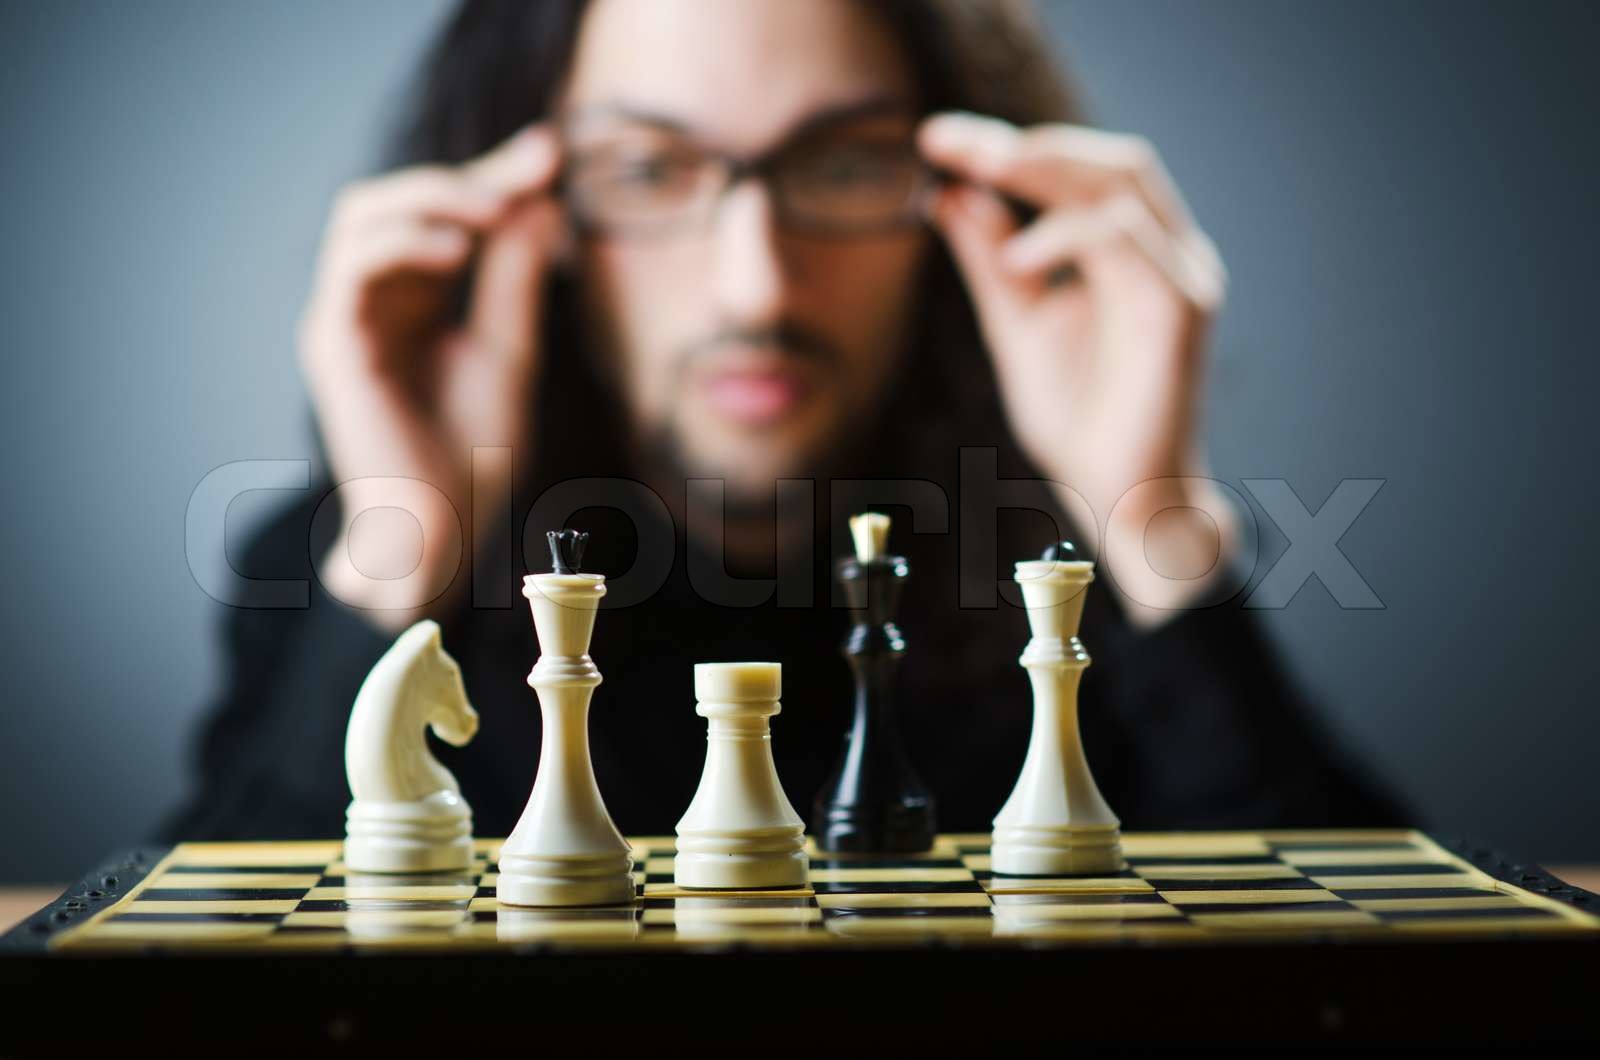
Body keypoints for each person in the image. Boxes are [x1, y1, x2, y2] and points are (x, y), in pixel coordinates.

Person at [167, 0, 1405, 842]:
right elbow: (176, 991)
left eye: (848, 164)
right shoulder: (343, 558)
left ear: (968, 197)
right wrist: (399, 553)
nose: (755, 283)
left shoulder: (1071, 564)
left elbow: (1383, 974)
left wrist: (1150, 516)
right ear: (523, 216)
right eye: (648, 170)